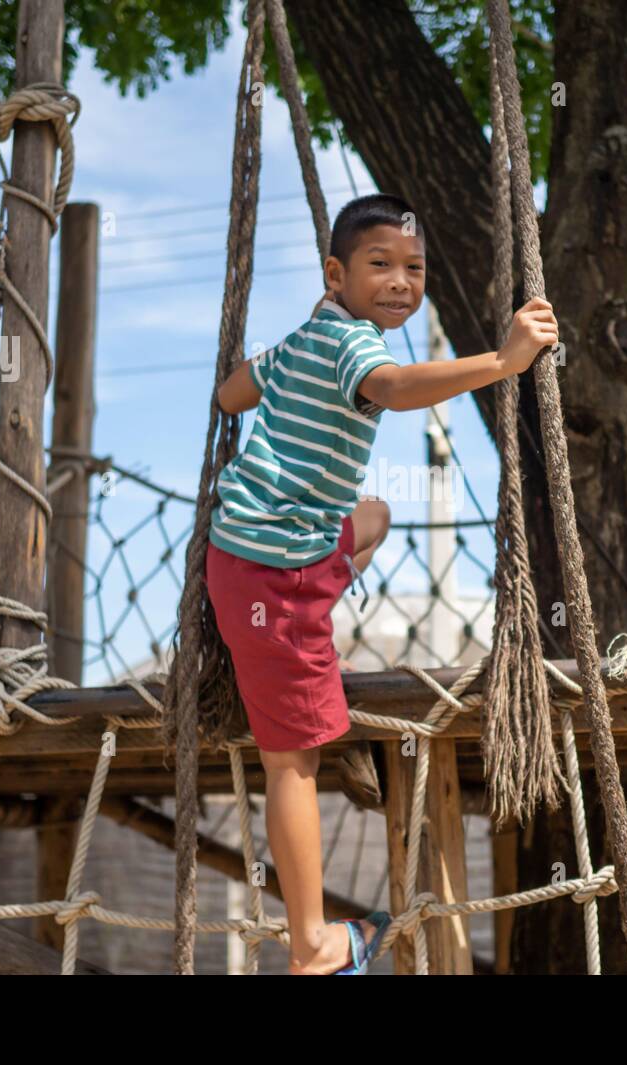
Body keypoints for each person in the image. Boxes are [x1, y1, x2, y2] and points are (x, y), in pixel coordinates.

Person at [207, 192, 558, 974]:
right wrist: (504, 362)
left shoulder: (307, 337)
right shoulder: (354, 350)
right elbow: (395, 388)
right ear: (337, 273)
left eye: (415, 268)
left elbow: (232, 393)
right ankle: (313, 943)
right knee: (289, 761)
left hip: (250, 558)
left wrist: (284, 369)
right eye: (380, 266)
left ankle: (318, 599)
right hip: (275, 573)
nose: (401, 282)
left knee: (374, 514)